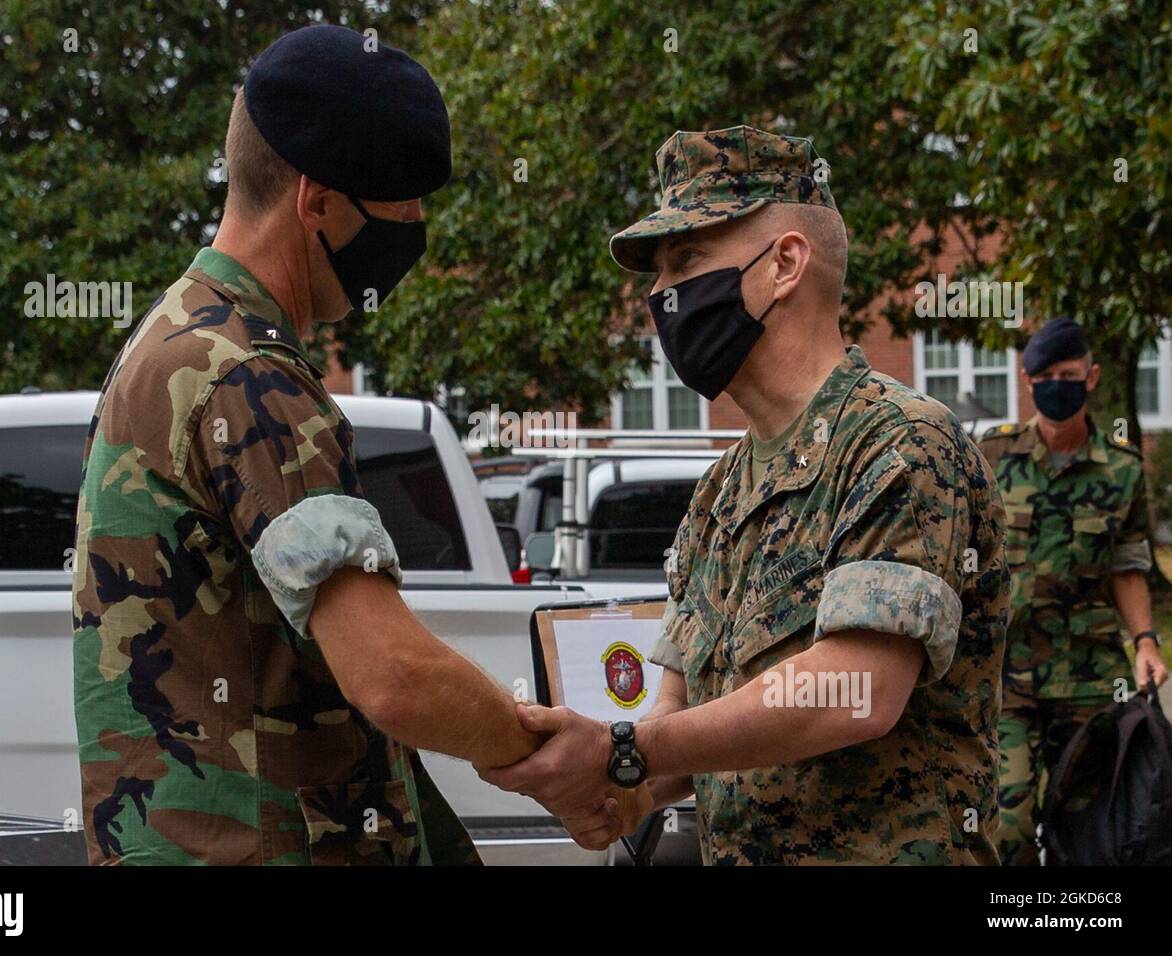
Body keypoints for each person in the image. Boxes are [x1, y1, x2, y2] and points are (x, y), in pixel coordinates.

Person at [72, 24, 538, 866]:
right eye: (398, 204)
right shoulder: (250, 376)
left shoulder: (172, 335)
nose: (415, 229)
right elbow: (391, 672)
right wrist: (539, 748)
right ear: (315, 200)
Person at [480, 124, 1009, 864]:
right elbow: (680, 711)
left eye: (686, 258)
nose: (661, 295)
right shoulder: (720, 492)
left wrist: (626, 748)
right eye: (657, 272)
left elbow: (857, 689)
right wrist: (621, 784)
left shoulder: (901, 443)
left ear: (784, 263)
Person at [978, 316, 1168, 865]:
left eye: (1068, 373)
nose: (1055, 385)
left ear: (1091, 378)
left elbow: (1127, 566)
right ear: (1027, 380)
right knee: (1006, 825)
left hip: (1090, 676)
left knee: (1089, 829)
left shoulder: (1123, 470)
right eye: (1044, 377)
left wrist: (1148, 643)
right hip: (1006, 679)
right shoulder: (993, 458)